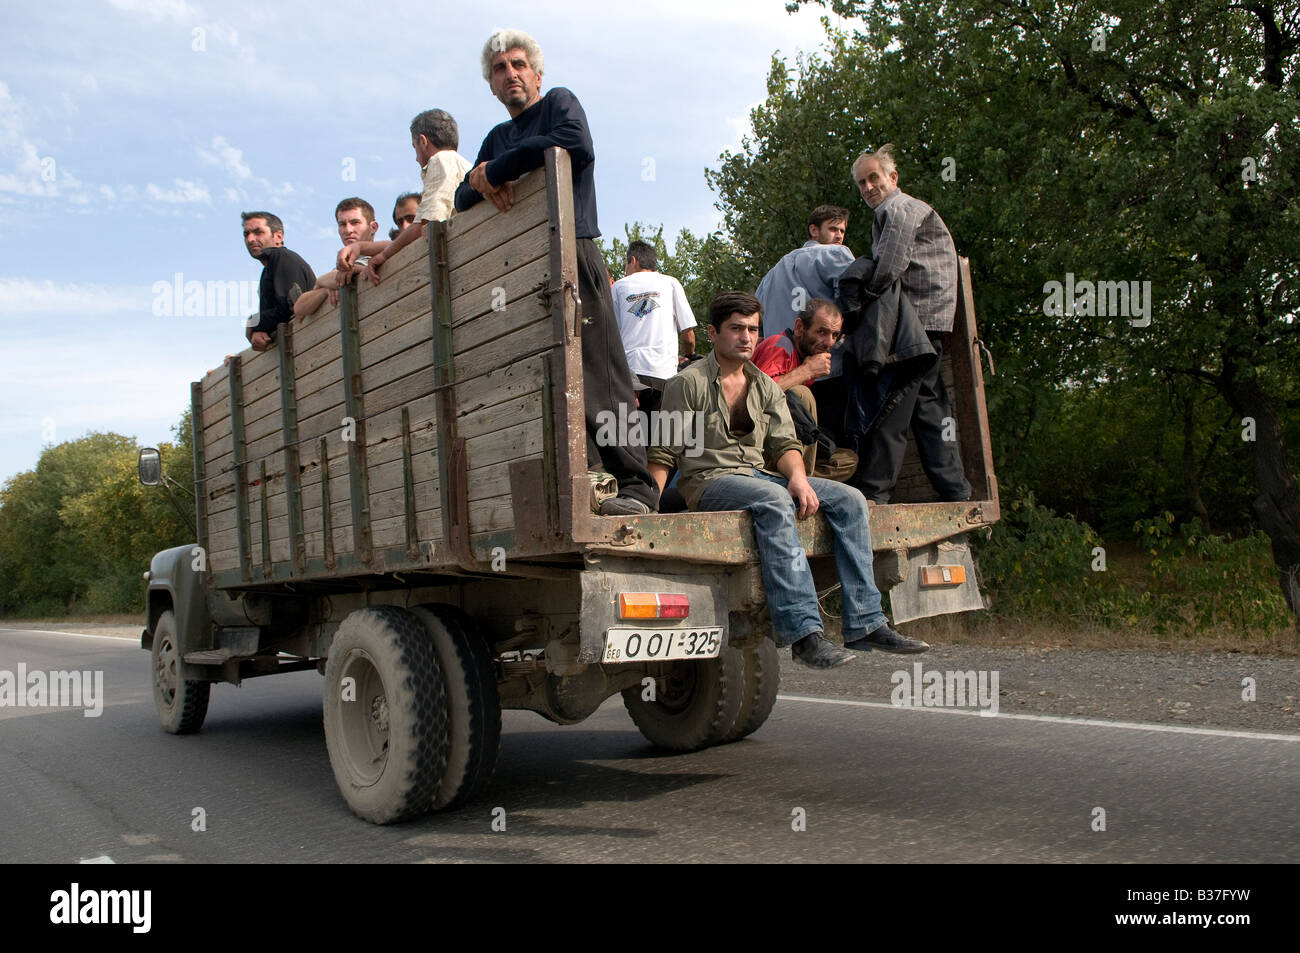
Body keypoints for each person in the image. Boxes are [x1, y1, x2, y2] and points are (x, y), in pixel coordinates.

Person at [647, 291, 929, 669]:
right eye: (736, 328)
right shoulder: (687, 383)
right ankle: (803, 635)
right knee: (773, 500)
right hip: (709, 481)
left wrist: (798, 478)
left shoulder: (763, 384)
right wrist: (649, 508)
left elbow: (785, 443)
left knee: (850, 500)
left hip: (756, 474)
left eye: (752, 329)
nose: (746, 337)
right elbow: (665, 452)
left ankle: (865, 621)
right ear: (713, 333)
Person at [454, 28, 658, 516]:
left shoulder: (559, 104)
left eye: (518, 64)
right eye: (500, 69)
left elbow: (575, 144)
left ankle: (637, 487)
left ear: (537, 73)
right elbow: (462, 196)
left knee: (602, 371)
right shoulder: (498, 135)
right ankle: (592, 483)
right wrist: (484, 178)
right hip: (528, 266)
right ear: (492, 85)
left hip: (576, 251)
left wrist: (497, 171)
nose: (511, 74)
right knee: (552, 374)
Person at [848, 144, 971, 503]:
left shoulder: (898, 208)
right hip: (930, 321)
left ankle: (875, 492)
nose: (869, 187)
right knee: (930, 407)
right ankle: (955, 489)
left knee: (893, 402)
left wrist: (862, 301)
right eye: (861, 183)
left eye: (874, 178)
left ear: (892, 178)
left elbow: (889, 264)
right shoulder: (901, 208)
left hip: (914, 322)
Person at [338, 110, 472, 283]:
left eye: (414, 148)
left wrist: (382, 256)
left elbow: (427, 222)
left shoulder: (440, 161)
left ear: (423, 142)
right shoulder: (460, 163)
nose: (416, 158)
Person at [752, 298, 857, 481]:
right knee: (802, 394)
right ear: (800, 327)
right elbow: (759, 396)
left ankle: (783, 479)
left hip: (784, 452)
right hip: (757, 446)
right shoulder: (780, 345)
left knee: (847, 460)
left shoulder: (804, 356)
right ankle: (800, 483)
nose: (828, 342)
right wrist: (806, 371)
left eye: (834, 335)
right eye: (822, 332)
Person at [610, 240, 696, 415]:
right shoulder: (671, 283)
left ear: (633, 261)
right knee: (660, 434)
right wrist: (688, 356)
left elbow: (612, 334)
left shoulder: (619, 286)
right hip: (663, 373)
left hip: (629, 373)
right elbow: (688, 332)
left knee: (630, 434)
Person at [754, 205, 854, 340]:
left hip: (776, 356)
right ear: (814, 230)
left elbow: (756, 328)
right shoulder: (836, 253)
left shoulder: (769, 277)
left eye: (842, 231)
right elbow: (851, 302)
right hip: (820, 352)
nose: (839, 236)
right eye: (833, 229)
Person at [293, 198, 379, 319]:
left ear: (373, 227)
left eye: (355, 222)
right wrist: (324, 290)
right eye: (342, 224)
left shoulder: (380, 254)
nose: (348, 230)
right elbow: (299, 308)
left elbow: (340, 276)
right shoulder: (343, 263)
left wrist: (320, 282)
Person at [241, 211, 315, 352]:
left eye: (258, 232)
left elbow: (288, 309)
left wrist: (253, 323)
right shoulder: (269, 268)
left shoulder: (281, 257)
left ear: (278, 236)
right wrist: (261, 332)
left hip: (307, 346)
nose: (250, 239)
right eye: (246, 234)